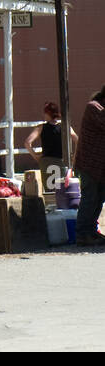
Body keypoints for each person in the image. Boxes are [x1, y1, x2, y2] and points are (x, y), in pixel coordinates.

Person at [73, 86, 105, 246]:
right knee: (90, 198)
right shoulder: (94, 107)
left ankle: (91, 232)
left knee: (98, 199)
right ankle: (82, 234)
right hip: (89, 163)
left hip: (100, 166)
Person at [24, 101, 77, 191]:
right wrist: (74, 157)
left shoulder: (40, 128)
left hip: (46, 162)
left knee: (49, 191)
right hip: (61, 162)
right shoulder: (66, 127)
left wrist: (36, 156)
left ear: (48, 113)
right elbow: (78, 141)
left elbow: (27, 142)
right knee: (63, 190)